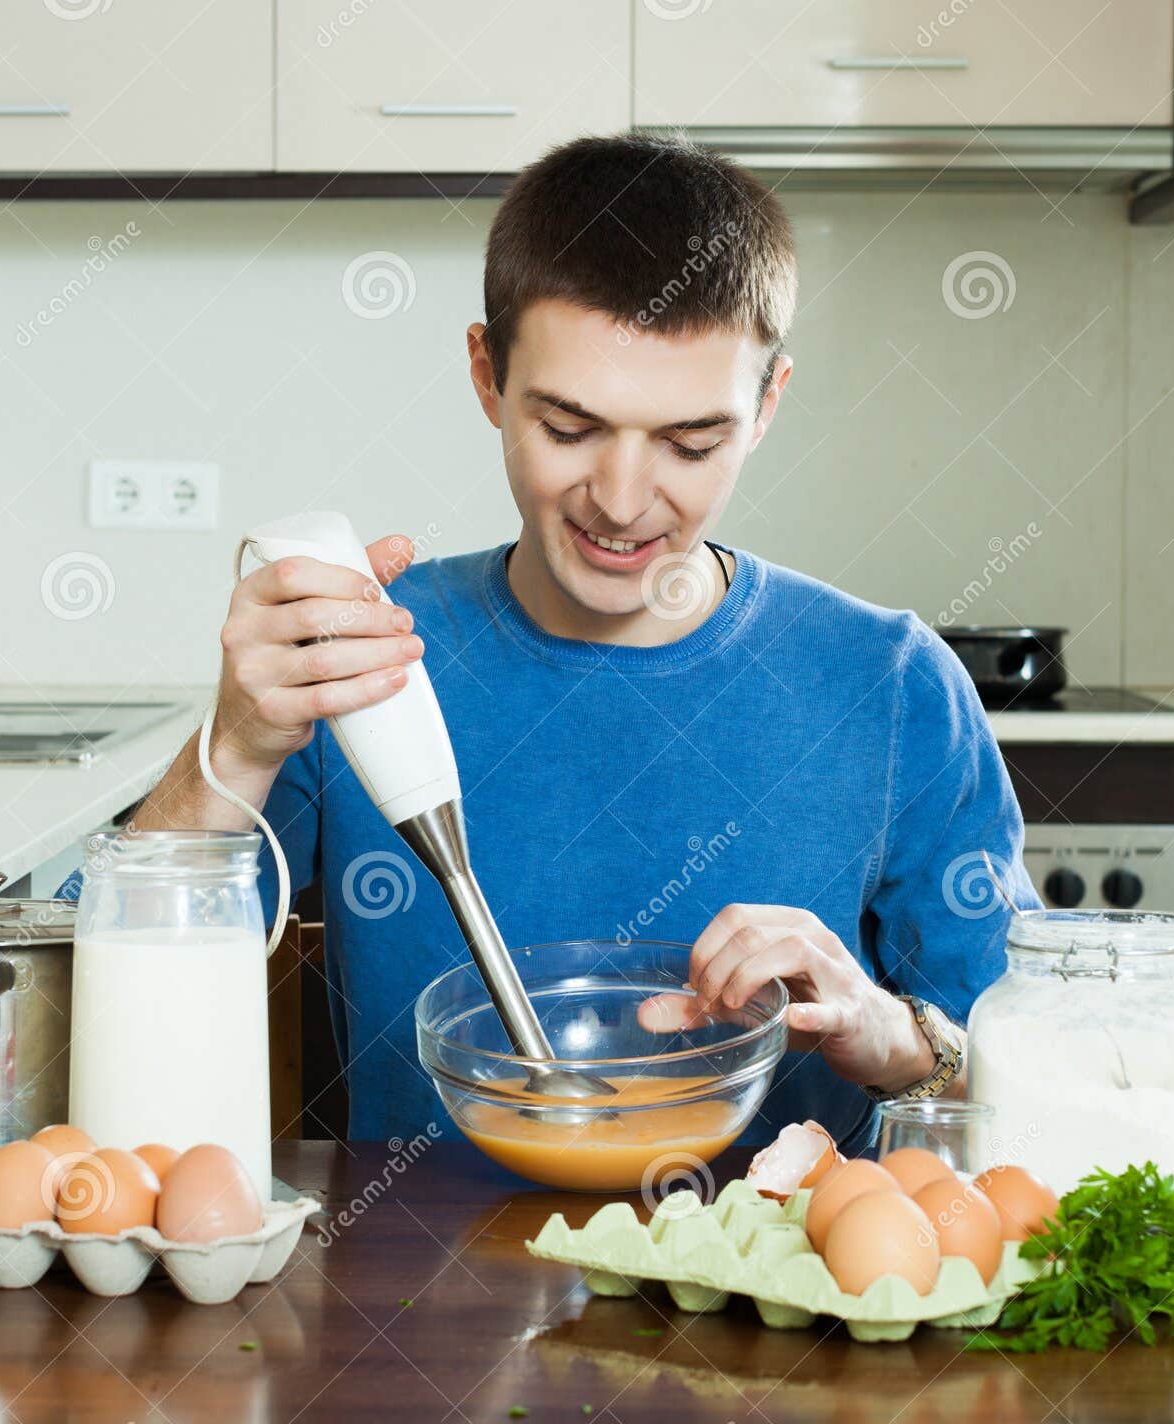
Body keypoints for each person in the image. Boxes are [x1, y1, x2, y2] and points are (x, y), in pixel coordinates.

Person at [81, 132, 1038, 1153]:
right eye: (570, 427)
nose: (622, 502)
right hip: (425, 1290)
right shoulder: (365, 662)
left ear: (765, 407)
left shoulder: (886, 684)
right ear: (488, 377)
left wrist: (880, 1027)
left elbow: (1027, 1073)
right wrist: (232, 749)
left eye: (689, 442)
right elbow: (101, 997)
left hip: (787, 1299)